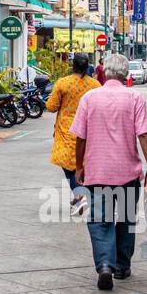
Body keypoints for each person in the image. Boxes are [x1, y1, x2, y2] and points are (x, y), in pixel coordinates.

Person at [70, 53, 147, 291]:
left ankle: (105, 265)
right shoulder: (135, 97)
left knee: (100, 219)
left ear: (104, 72)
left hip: (98, 172)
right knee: (127, 220)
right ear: (126, 74)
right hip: (128, 172)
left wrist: (79, 166)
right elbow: (144, 135)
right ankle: (121, 266)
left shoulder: (89, 98)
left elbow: (80, 137)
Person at [44, 53, 99, 215]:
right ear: (87, 66)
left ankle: (81, 194)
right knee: (84, 164)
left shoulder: (62, 84)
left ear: (73, 65)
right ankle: (81, 193)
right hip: (89, 130)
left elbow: (51, 106)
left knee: (67, 164)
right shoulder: (95, 85)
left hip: (67, 130)